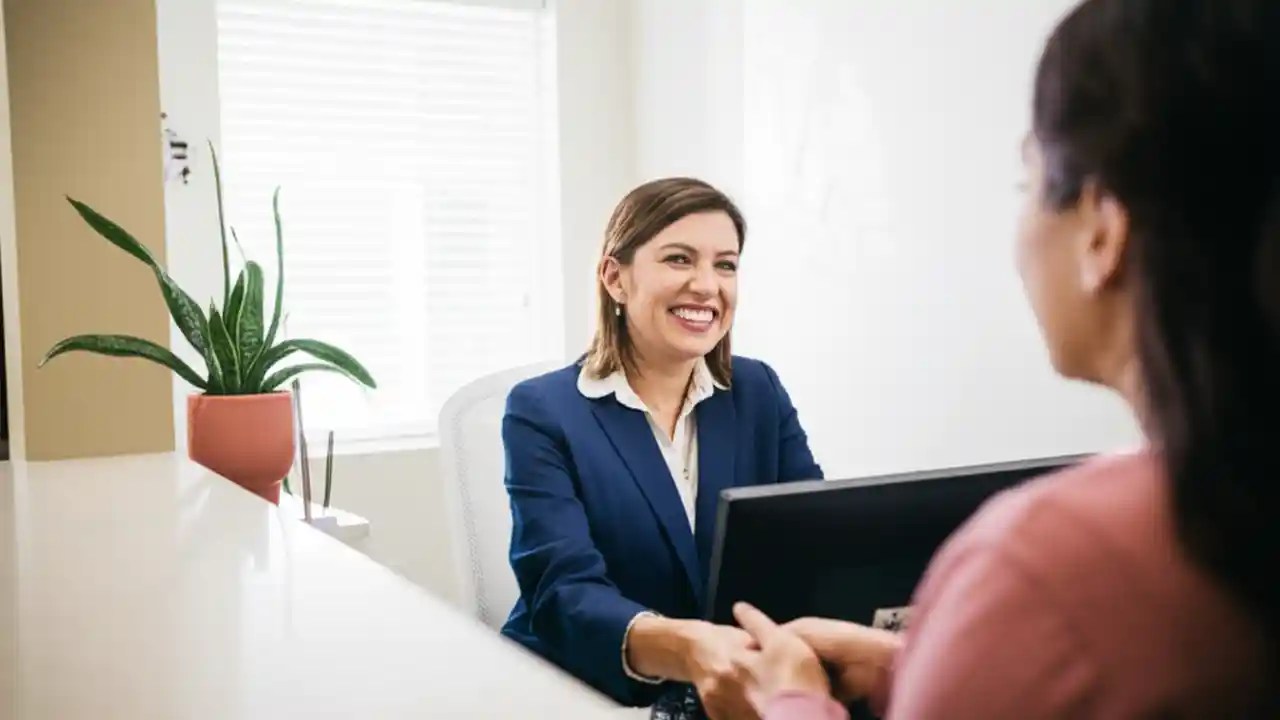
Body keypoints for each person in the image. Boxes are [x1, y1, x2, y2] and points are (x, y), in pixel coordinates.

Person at [731, 0, 1280, 717]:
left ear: (1101, 232)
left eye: (1027, 184)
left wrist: (792, 701)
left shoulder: (1038, 569)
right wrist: (928, 662)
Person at [500, 177, 823, 717]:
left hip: (726, 693)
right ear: (614, 278)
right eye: (679, 260)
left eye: (726, 265)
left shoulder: (758, 391)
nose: (707, 285)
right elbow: (562, 593)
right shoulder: (542, 410)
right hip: (585, 692)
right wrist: (687, 651)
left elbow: (815, 542)